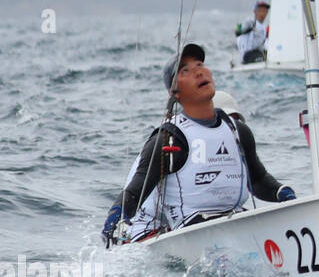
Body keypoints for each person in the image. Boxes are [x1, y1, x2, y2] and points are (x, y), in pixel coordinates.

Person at [102, 43, 295, 245]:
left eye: (200, 64)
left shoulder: (238, 131)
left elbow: (257, 180)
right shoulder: (169, 139)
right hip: (189, 236)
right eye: (186, 70)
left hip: (236, 224)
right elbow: (134, 194)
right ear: (175, 92)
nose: (198, 71)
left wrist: (283, 193)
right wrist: (113, 221)